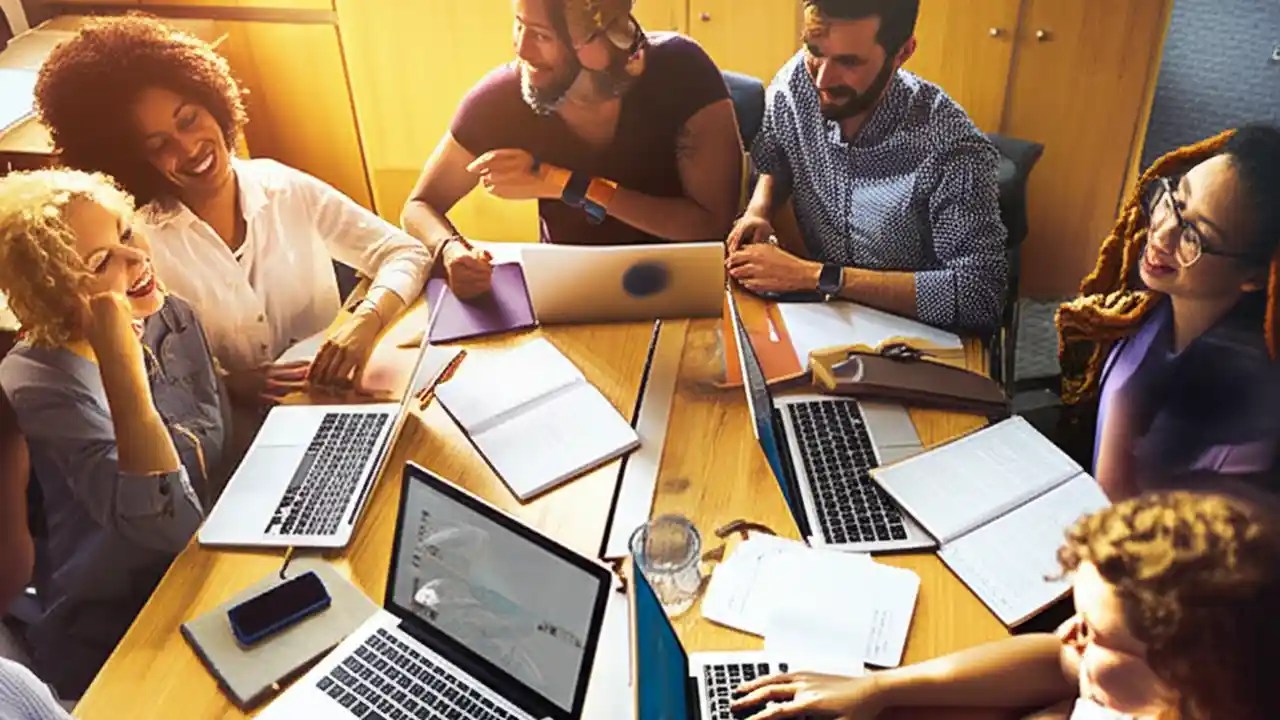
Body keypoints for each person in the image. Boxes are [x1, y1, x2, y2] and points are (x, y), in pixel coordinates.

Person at [33, 15, 431, 406]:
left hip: (332, 405)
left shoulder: (282, 186)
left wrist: (366, 320)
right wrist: (228, 384)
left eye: (189, 120)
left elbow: (405, 252)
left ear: (212, 101)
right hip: (229, 442)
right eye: (159, 145)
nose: (188, 148)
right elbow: (139, 375)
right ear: (132, 161)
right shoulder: (138, 245)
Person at [733, 491, 1280, 720]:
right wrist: (878, 690)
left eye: (1091, 630)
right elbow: (1053, 660)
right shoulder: (1144, 684)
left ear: (1182, 671)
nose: (1068, 634)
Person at [0, 169, 231, 698]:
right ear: (53, 294)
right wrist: (121, 363)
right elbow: (164, 530)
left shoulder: (169, 313)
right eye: (100, 262)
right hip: (123, 625)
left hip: (211, 564)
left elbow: (212, 450)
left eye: (126, 234)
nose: (136, 262)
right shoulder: (37, 381)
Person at [403, 0, 743, 299]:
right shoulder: (502, 97)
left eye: (541, 34)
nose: (521, 50)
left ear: (600, 43)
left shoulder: (682, 70)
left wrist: (566, 183)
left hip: (684, 286)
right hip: (571, 296)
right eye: (519, 25)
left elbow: (711, 224)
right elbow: (419, 206)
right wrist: (450, 251)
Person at [726, 0, 1006, 333]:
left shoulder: (950, 146)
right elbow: (776, 159)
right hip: (824, 317)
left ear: (903, 52)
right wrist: (758, 210)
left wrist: (817, 276)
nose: (822, 79)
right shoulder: (795, 83)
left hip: (918, 334)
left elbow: (981, 296)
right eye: (814, 49)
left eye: (849, 61)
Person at [1058, 125, 1280, 500]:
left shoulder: (1244, 403)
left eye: (1194, 234)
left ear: (1255, 277)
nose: (1160, 235)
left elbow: (1188, 546)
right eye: (1175, 200)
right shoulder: (1152, 308)